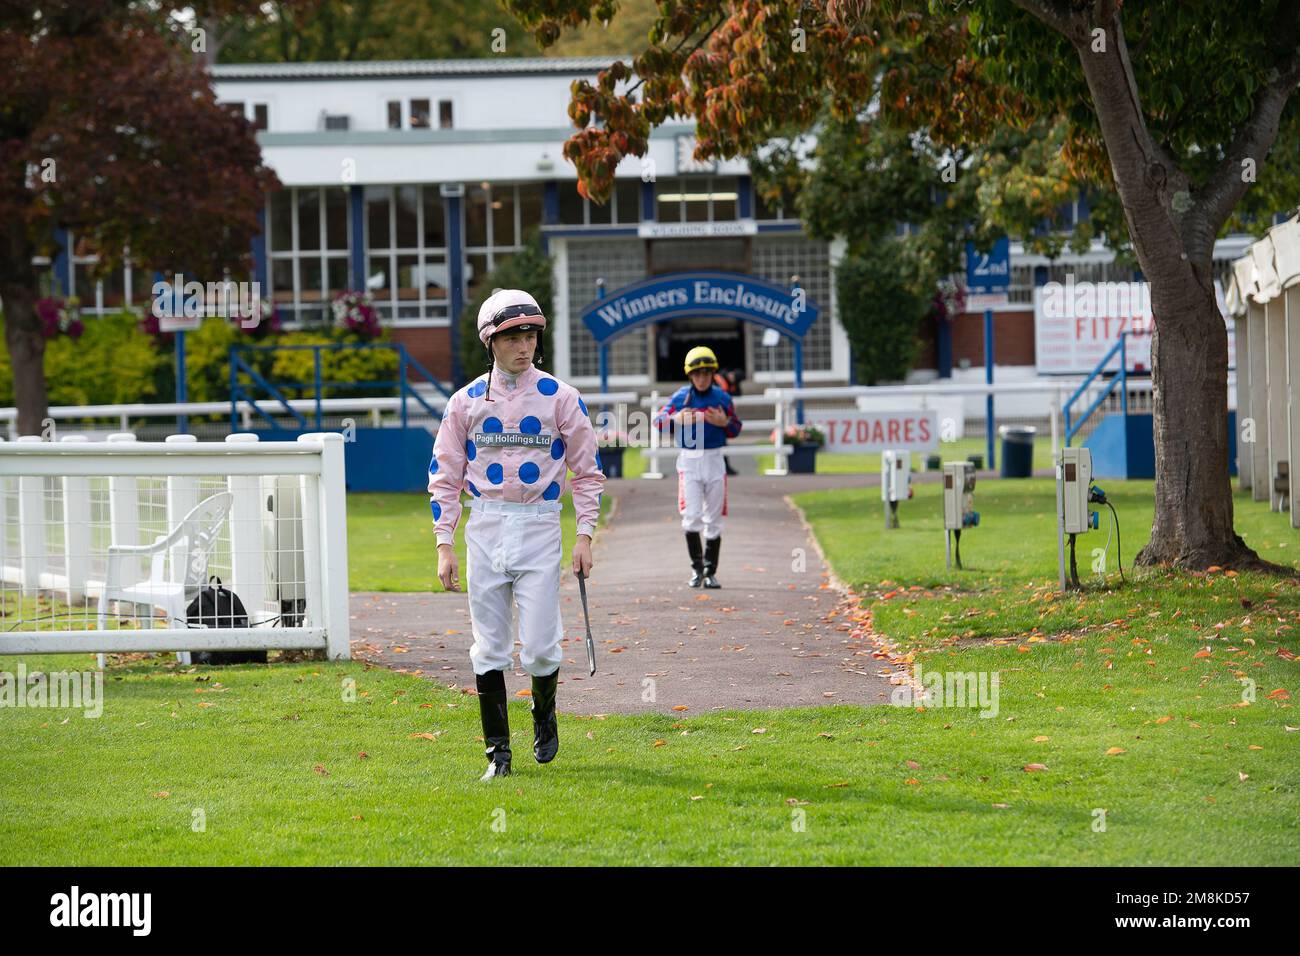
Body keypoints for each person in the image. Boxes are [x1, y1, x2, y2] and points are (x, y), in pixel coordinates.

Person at [428, 289, 604, 781]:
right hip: (484, 525)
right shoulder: (464, 403)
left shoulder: (561, 398)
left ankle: (543, 717)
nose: (523, 345)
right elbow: (444, 476)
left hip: (540, 526)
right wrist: (445, 543)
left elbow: (587, 473)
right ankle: (497, 756)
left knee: (543, 647)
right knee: (489, 647)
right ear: (491, 340)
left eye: (529, 334)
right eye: (511, 336)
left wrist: (585, 535)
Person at [652, 345, 742, 588]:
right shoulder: (681, 397)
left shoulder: (722, 397)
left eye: (706, 373)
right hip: (689, 461)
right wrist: (675, 419)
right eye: (697, 374)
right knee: (691, 516)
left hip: (714, 460)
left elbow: (735, 428)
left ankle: (711, 571)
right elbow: (657, 422)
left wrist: (725, 422)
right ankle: (696, 569)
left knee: (714, 518)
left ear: (713, 373)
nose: (701, 378)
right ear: (690, 375)